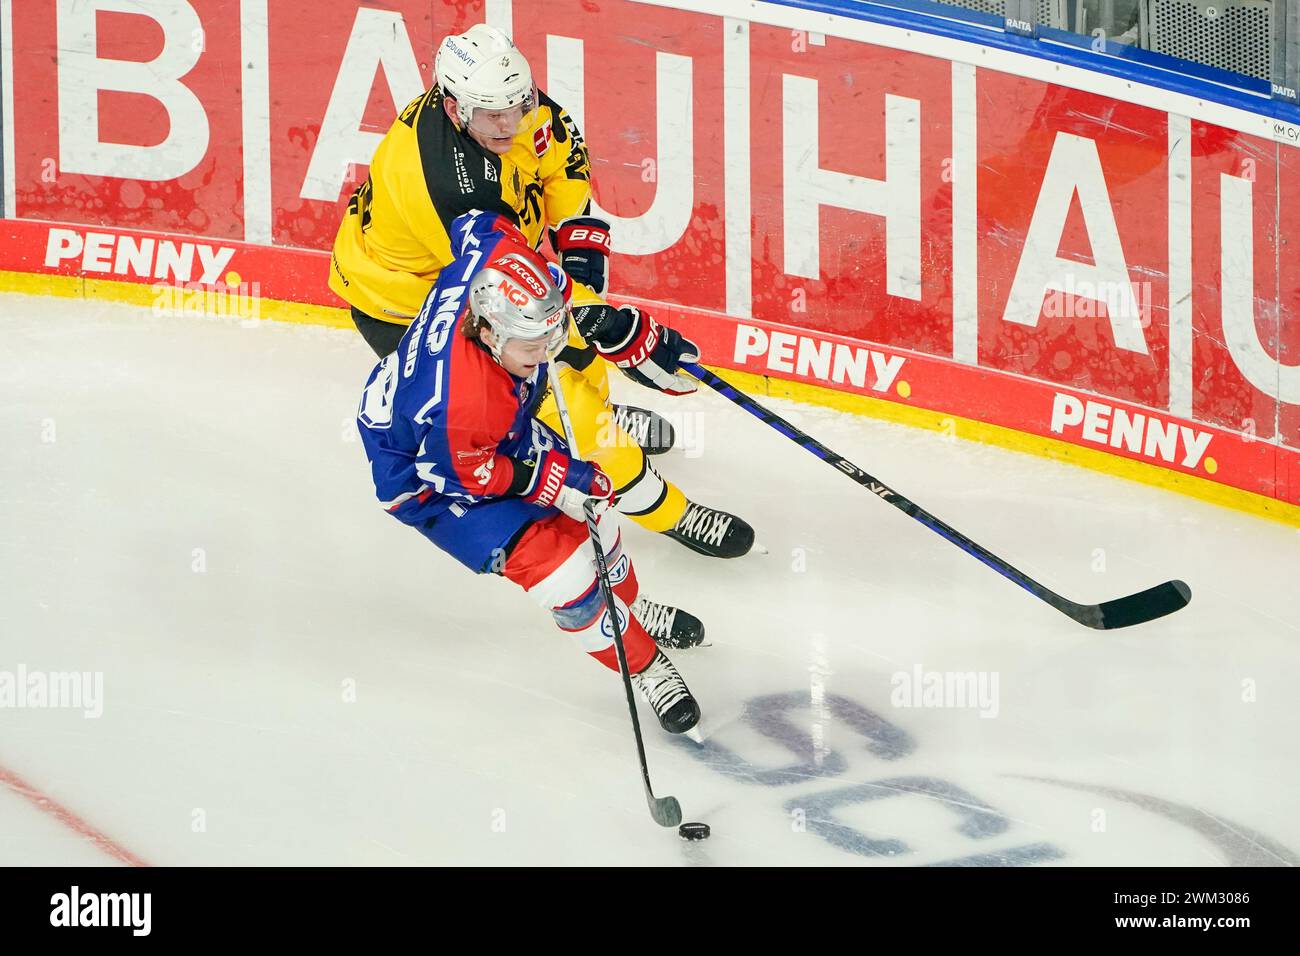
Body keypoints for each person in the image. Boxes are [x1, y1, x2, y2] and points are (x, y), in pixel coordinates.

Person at [331, 23, 754, 560]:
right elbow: (504, 287)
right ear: (455, 108)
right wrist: (609, 325)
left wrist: (582, 264)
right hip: (418, 304)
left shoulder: (505, 103)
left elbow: (561, 166)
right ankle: (672, 512)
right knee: (562, 410)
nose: (511, 122)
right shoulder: (444, 187)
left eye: (518, 104)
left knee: (584, 364)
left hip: (496, 274)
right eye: (493, 115)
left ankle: (599, 424)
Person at [356, 209, 702, 734]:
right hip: (433, 480)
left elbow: (477, 222)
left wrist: (565, 288)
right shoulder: (462, 402)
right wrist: (558, 481)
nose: (547, 354)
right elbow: (471, 476)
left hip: (490, 433)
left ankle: (631, 610)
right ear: (491, 332)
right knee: (567, 578)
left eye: (550, 338)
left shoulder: (499, 267)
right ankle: (648, 667)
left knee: (597, 513)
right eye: (533, 346)